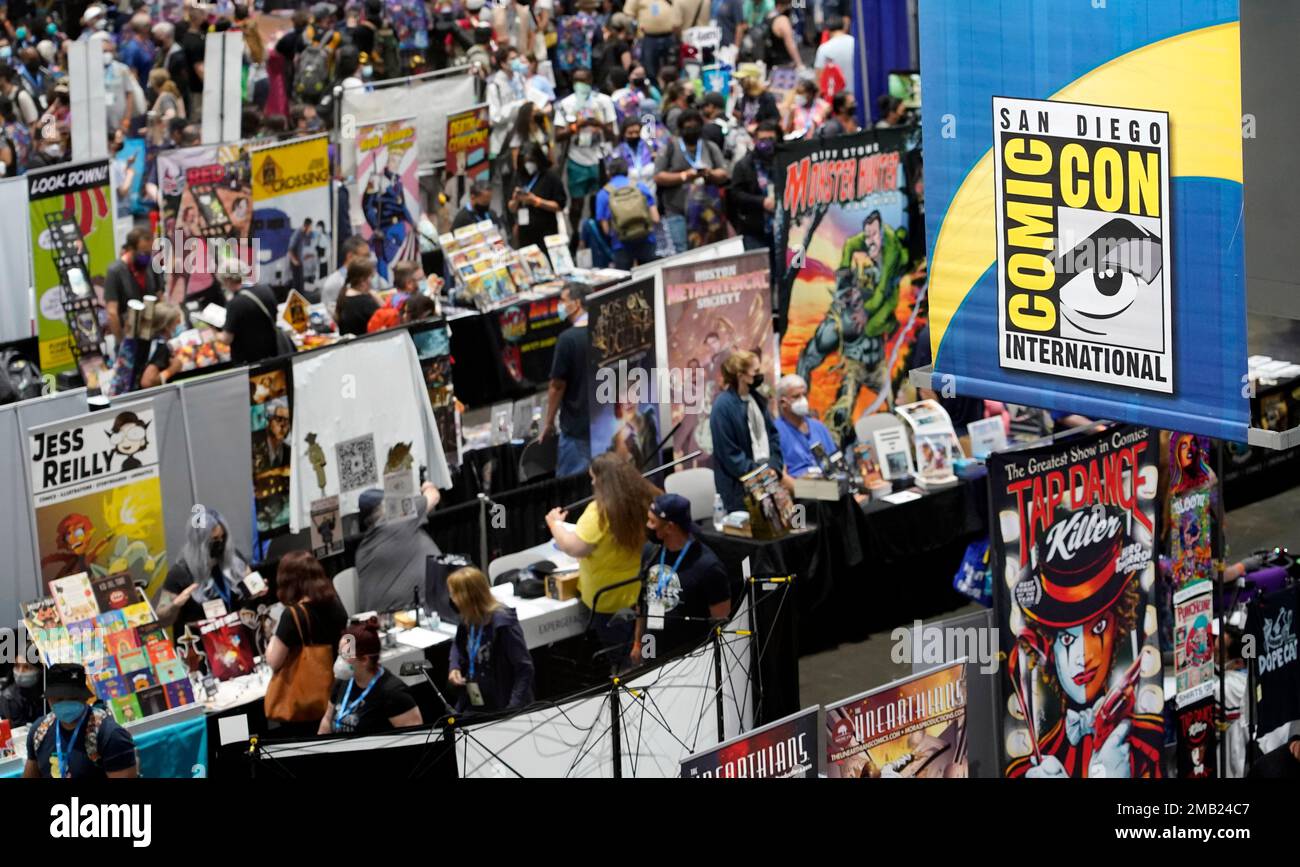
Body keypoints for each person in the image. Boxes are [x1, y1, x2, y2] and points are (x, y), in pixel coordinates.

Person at [546, 452, 658, 654]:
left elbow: (574, 548)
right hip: (644, 593)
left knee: (621, 659)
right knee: (646, 653)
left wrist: (555, 524)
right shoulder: (648, 497)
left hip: (609, 601)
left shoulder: (600, 512)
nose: (592, 483)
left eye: (593, 478)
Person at [631, 493, 731, 662]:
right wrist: (637, 643)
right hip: (652, 647)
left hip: (689, 657)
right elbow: (642, 603)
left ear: (670, 527)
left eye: (653, 522)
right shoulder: (650, 552)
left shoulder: (708, 567)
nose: (648, 526)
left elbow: (720, 622)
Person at [264, 551, 349, 732]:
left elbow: (273, 660)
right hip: (336, 696)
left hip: (304, 706)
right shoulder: (335, 602)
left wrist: (272, 633)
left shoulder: (293, 615)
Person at [156, 506, 259, 636]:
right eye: (215, 539)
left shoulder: (233, 560)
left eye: (223, 537)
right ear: (199, 543)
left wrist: (256, 591)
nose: (221, 543)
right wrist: (175, 605)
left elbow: (252, 587)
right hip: (201, 646)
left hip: (237, 640)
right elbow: (162, 619)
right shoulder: (180, 573)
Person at [23, 663, 137, 779]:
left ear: (85, 697)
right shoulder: (38, 732)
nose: (66, 704)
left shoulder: (110, 735)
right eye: (59, 699)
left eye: (73, 698)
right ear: (48, 699)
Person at [446, 567, 535, 712]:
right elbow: (458, 643)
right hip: (476, 699)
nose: (452, 599)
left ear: (465, 596)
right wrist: (454, 666)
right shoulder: (468, 618)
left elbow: (524, 669)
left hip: (504, 704)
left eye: (453, 594)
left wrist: (513, 708)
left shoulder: (503, 624)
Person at [709, 349, 786, 512]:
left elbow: (773, 435)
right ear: (740, 375)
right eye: (755, 371)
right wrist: (760, 473)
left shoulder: (757, 399)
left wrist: (774, 466)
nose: (760, 375)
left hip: (768, 480)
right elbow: (730, 455)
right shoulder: (722, 406)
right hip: (739, 492)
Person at [318, 619, 423, 735]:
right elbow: (327, 720)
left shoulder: (394, 694)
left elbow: (414, 739)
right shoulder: (343, 681)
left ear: (364, 660)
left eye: (345, 655)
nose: (339, 661)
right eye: (339, 653)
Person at [354, 480, 442, 614]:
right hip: (412, 614)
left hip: (386, 619)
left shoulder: (361, 551)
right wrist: (427, 485)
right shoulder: (400, 520)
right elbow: (433, 496)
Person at [556, 67, 616, 251]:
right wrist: (576, 127)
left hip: (598, 158)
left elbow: (613, 134)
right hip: (577, 160)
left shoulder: (603, 102)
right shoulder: (566, 104)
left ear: (591, 81)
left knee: (597, 200)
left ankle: (597, 234)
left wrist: (599, 125)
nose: (581, 85)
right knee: (576, 203)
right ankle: (575, 234)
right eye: (577, 81)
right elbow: (558, 135)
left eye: (584, 81)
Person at [654, 108, 729, 254]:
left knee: (708, 250)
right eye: (687, 127)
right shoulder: (671, 147)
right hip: (677, 210)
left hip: (706, 211)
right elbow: (658, 176)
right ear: (681, 128)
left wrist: (709, 173)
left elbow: (724, 173)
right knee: (681, 252)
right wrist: (683, 176)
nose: (691, 130)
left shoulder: (709, 146)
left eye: (694, 126)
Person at [542, 282, 592, 477]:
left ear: (577, 303)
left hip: (577, 430)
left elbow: (557, 385)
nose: (560, 306)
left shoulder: (568, 339)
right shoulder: (602, 329)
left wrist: (548, 422)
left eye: (563, 301)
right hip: (603, 422)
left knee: (572, 487)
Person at [596, 156, 659, 269]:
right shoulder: (640, 187)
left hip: (620, 244)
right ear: (627, 171)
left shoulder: (603, 194)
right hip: (646, 240)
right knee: (650, 279)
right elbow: (656, 218)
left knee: (625, 282)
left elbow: (606, 229)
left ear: (608, 172)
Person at [103, 228, 165, 340]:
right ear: (130, 249)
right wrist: (121, 341)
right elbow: (112, 312)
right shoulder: (115, 272)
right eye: (143, 252)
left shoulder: (151, 266)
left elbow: (160, 296)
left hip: (152, 333)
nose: (147, 256)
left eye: (149, 252)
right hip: (129, 335)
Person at [772, 373, 838, 477]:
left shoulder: (819, 427)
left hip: (828, 484)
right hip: (798, 488)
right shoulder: (775, 431)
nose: (803, 400)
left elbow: (835, 461)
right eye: (796, 396)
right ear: (783, 402)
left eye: (804, 395)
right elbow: (780, 475)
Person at [727, 119, 779, 253]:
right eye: (763, 139)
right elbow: (735, 194)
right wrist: (761, 202)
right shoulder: (744, 165)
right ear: (755, 140)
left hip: (783, 230)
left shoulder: (784, 162)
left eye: (771, 139)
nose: (767, 143)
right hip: (755, 230)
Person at [218, 264, 283, 365]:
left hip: (249, 361)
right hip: (273, 353)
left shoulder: (234, 304)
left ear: (228, 280)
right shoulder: (266, 289)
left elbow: (226, 339)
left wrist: (214, 334)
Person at [508, 141, 567, 250]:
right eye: (525, 161)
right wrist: (516, 200)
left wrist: (536, 201)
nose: (528, 164)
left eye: (531, 161)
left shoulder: (551, 177)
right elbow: (511, 208)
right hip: (525, 232)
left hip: (546, 231)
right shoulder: (518, 176)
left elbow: (559, 206)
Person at [320, 235, 391, 317]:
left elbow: (388, 293)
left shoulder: (374, 277)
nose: (369, 260)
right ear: (350, 257)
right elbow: (328, 316)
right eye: (365, 256)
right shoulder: (333, 283)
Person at [624, 0, 679, 82]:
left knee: (671, 69)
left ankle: (671, 90)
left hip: (669, 36)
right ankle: (654, 91)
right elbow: (628, 12)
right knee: (650, 70)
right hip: (649, 37)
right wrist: (636, 27)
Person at [137, 302, 187, 390]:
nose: (178, 326)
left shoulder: (146, 339)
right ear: (167, 326)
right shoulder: (161, 347)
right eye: (176, 323)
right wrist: (172, 369)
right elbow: (147, 382)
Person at [333, 259, 382, 337]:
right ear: (362, 280)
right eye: (371, 277)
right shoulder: (366, 302)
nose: (372, 281)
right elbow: (386, 320)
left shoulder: (343, 295)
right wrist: (378, 299)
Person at [813, 14, 855, 96]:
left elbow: (819, 79)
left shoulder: (824, 49)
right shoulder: (855, 43)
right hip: (856, 94)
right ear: (844, 27)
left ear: (827, 30)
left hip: (836, 99)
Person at [732, 64, 780, 134]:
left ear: (751, 80)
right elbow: (738, 115)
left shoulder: (767, 98)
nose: (740, 83)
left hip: (761, 135)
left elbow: (774, 119)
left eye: (742, 80)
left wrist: (758, 127)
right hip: (744, 134)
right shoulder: (742, 97)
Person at [0, 660, 43, 727]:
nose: (20, 671)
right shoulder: (9, 697)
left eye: (26, 667)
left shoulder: (45, 692)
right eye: (17, 665)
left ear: (39, 669)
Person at [287, 217, 315, 299]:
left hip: (299, 261)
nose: (310, 229)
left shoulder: (303, 234)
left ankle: (301, 299)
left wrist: (307, 256)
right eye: (310, 227)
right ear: (306, 225)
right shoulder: (298, 233)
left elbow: (301, 248)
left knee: (300, 283)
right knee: (297, 284)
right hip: (295, 262)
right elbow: (290, 249)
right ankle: (295, 299)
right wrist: (294, 260)